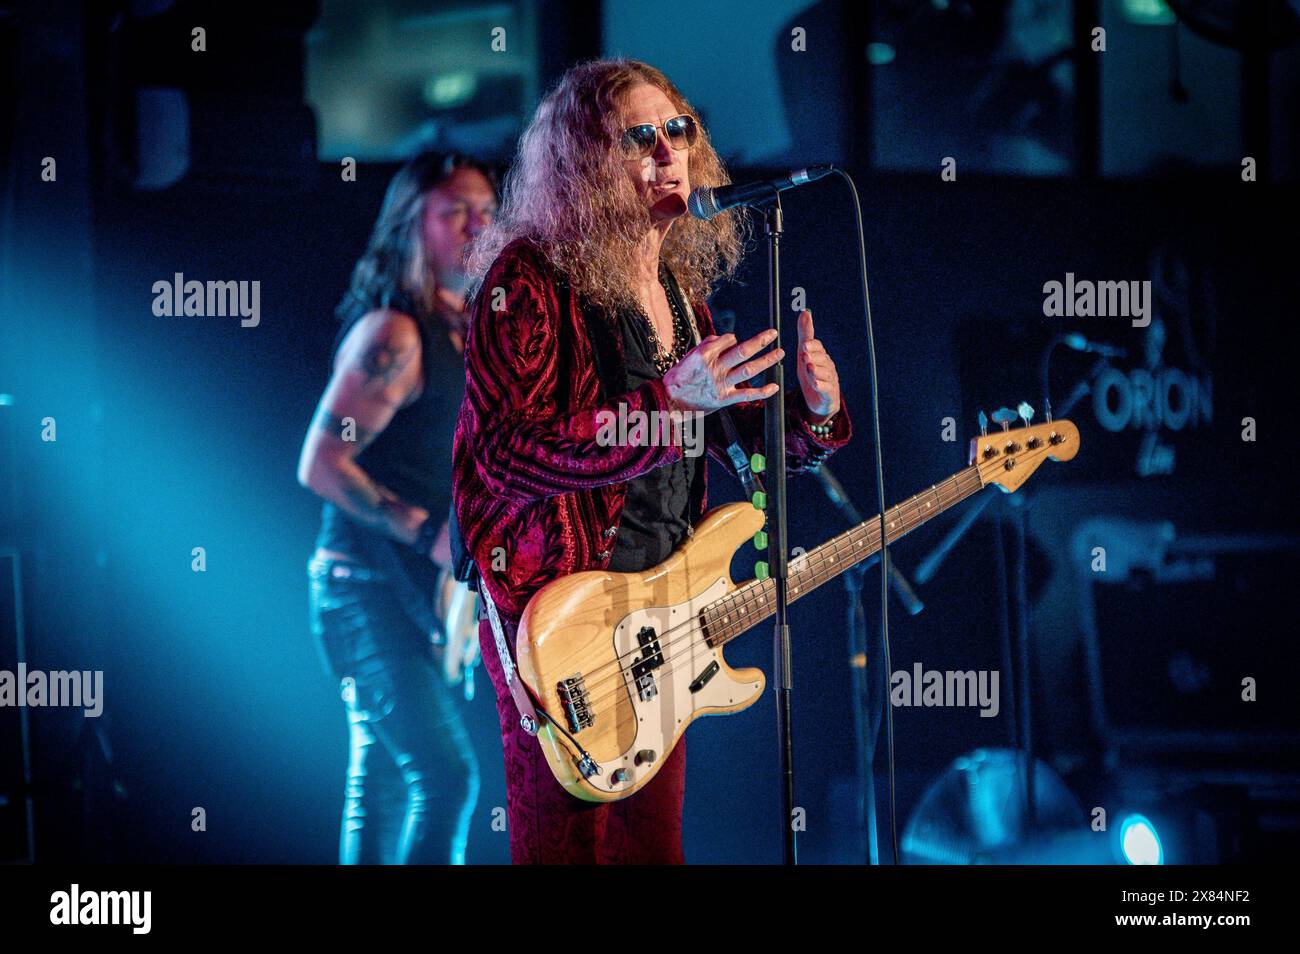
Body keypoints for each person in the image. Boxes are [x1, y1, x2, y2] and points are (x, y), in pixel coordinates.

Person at [453, 60, 851, 864]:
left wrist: (814, 411)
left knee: (651, 852)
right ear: (586, 159)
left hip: (662, 611)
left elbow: (759, 453)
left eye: (680, 130)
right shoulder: (528, 279)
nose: (669, 152)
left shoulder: (678, 295)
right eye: (641, 137)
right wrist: (666, 405)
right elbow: (504, 454)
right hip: (558, 615)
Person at [298, 151, 498, 864]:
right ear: (412, 226)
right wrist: (426, 533)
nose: (478, 224)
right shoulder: (396, 334)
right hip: (362, 591)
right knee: (446, 778)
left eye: (485, 208)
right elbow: (321, 462)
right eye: (455, 211)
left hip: (418, 595)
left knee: (381, 780)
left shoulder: (472, 330)